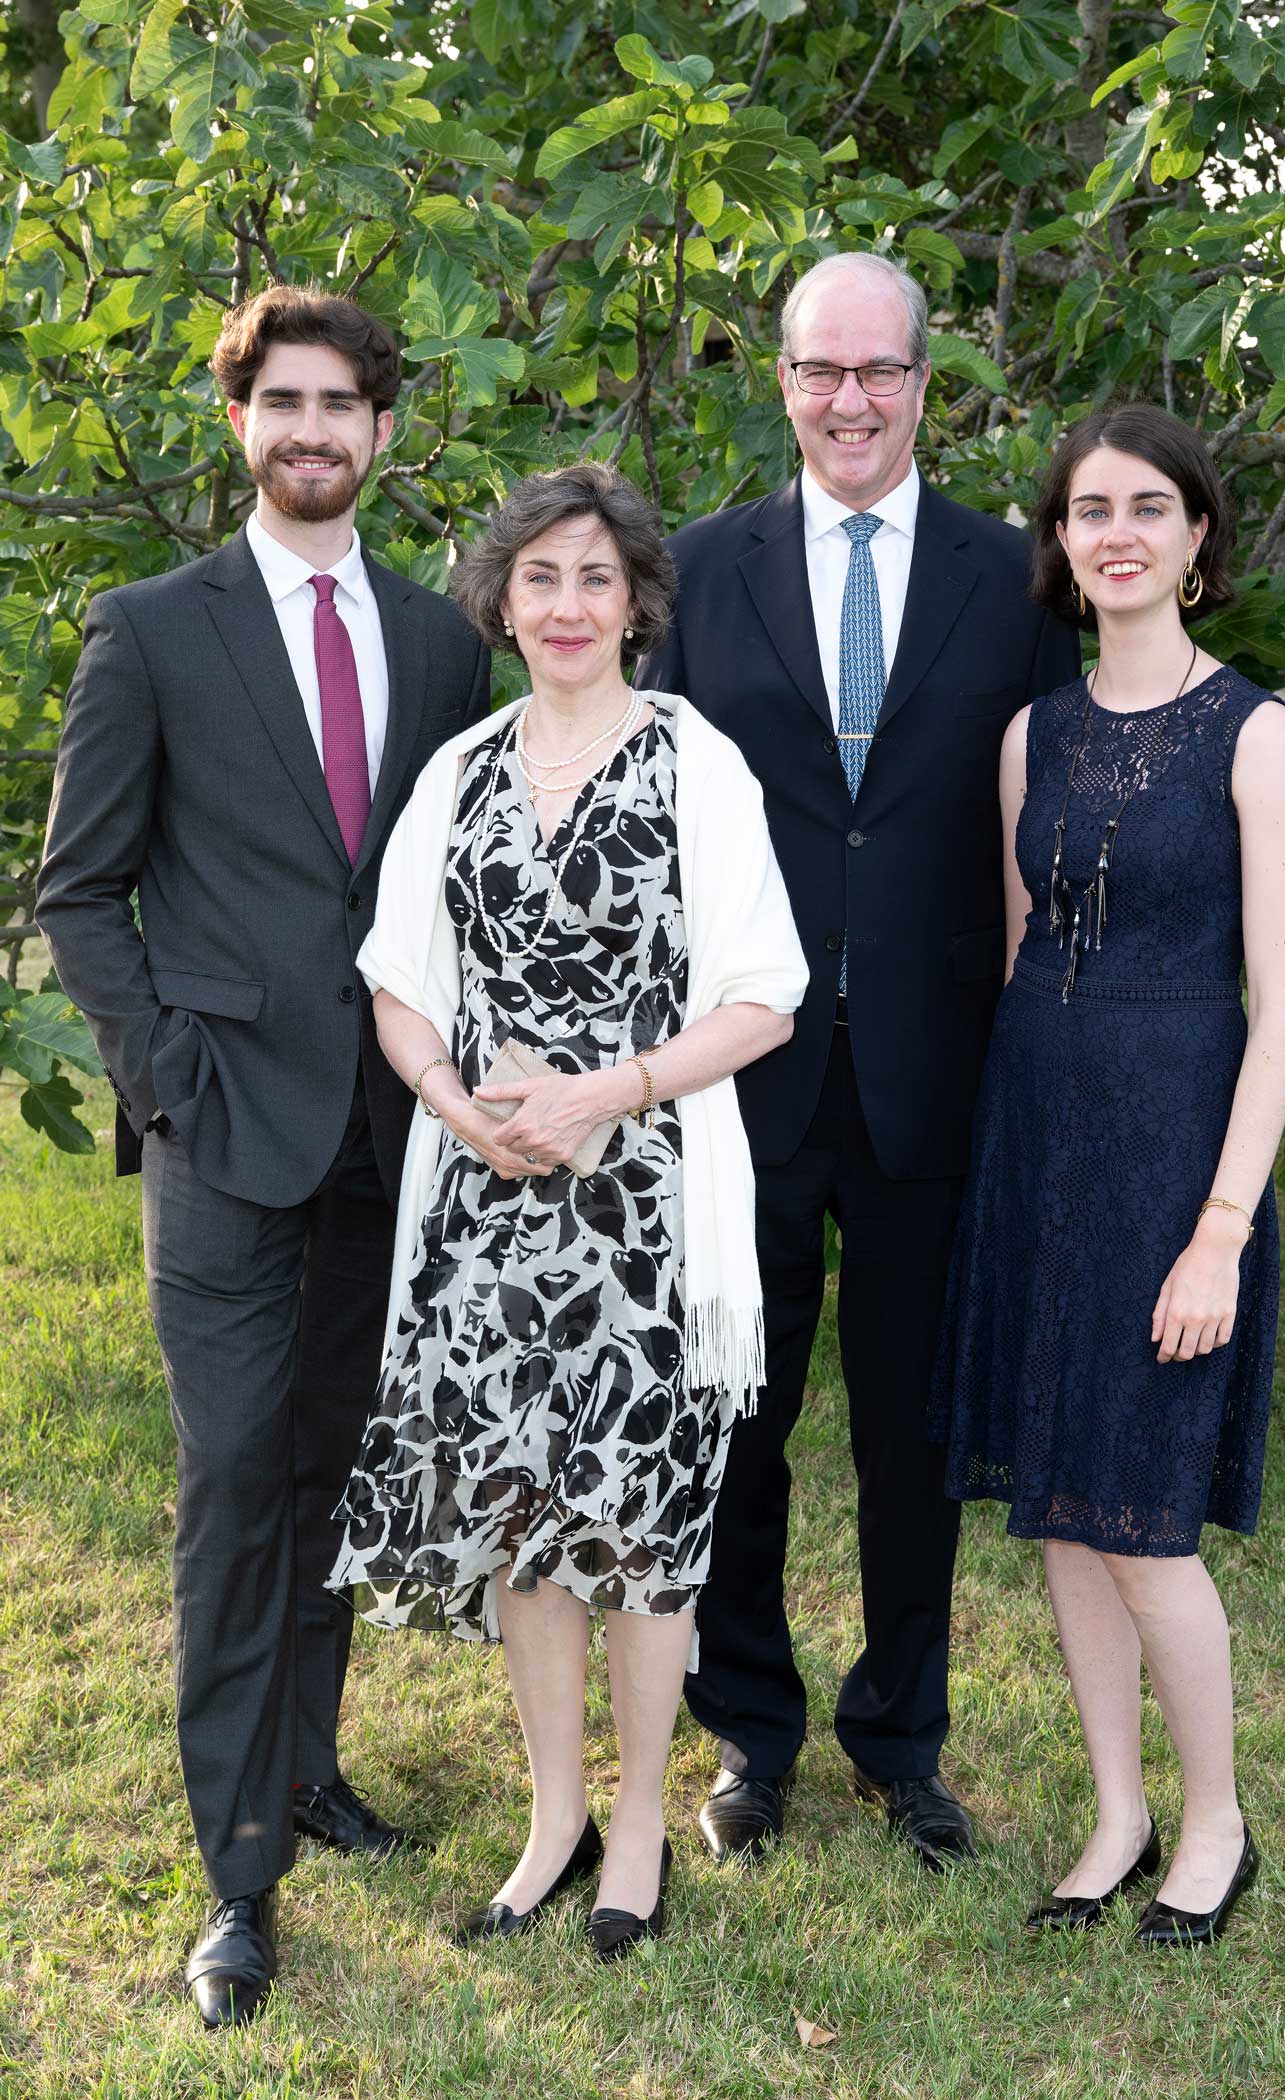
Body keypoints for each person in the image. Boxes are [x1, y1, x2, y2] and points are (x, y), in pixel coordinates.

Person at [35, 285, 490, 2026]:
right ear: (240, 423)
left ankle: (304, 1762)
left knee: (331, 1469)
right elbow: (82, 890)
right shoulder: (152, 627)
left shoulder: (440, 644)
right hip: (222, 1128)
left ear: (382, 430)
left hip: (392, 1130)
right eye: (281, 403)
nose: (312, 431)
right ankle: (237, 1872)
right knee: (235, 1481)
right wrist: (163, 1077)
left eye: (341, 405)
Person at [635, 251, 1081, 1872]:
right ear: (782, 383)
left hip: (935, 1070)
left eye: (880, 370)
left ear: (923, 385)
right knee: (737, 1421)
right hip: (742, 1074)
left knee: (914, 1435)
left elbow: (1048, 818)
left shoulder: (1014, 582)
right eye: (821, 370)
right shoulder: (695, 571)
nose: (850, 400)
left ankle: (902, 1738)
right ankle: (748, 1732)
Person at [328, 462, 807, 1961]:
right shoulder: (461, 771)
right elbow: (400, 983)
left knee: (643, 1527)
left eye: (597, 578)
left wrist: (610, 1089)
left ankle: (641, 1827)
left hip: (646, 1207)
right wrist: (456, 1103)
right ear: (502, 599)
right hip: (488, 1206)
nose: (569, 605)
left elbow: (768, 998)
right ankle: (554, 1823)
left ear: (638, 602)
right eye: (541, 578)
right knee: (525, 1522)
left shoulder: (696, 763)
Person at [931, 402, 1285, 1946]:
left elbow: (1282, 1005)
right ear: (1063, 543)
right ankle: (1116, 1814)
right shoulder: (1033, 736)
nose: (1121, 534)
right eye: (1092, 509)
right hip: (1039, 1145)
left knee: (1144, 1520)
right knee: (1063, 1507)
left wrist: (1220, 1229)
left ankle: (1216, 1824)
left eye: (1150, 506)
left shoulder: (1256, 734)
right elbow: (1024, 951)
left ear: (1197, 534)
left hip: (1175, 1158)